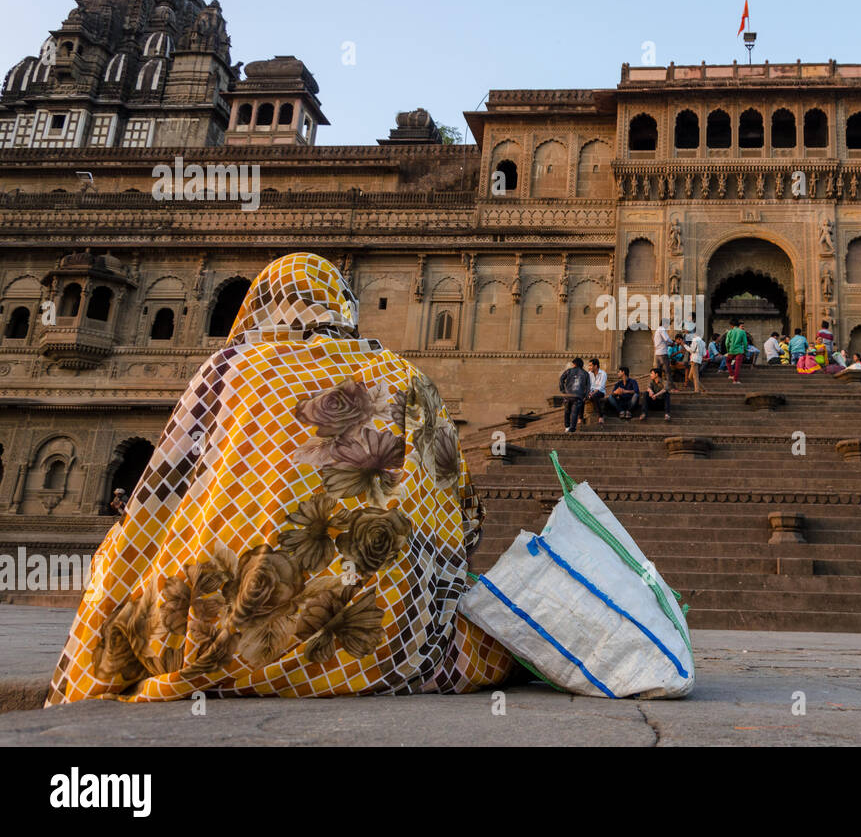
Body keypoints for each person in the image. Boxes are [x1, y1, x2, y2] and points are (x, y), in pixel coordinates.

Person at [47, 253, 517, 705]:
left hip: (216, 638)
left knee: (133, 564)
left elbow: (158, 501)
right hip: (380, 644)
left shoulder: (230, 370)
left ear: (259, 306)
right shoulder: (407, 377)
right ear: (345, 306)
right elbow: (466, 519)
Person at [559, 357, 590, 433]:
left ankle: (567, 427)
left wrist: (563, 390)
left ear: (574, 364)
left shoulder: (569, 371)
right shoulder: (586, 373)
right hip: (578, 396)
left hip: (568, 395)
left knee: (567, 411)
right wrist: (585, 396)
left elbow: (561, 379)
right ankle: (572, 428)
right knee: (574, 413)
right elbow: (588, 386)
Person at [724, 319, 748, 384]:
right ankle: (735, 380)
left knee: (728, 361)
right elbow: (745, 343)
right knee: (737, 366)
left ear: (732, 325)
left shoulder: (730, 332)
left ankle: (731, 374)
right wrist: (745, 351)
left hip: (731, 350)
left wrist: (728, 350)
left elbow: (726, 343)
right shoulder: (742, 332)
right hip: (739, 351)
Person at [584, 357, 607, 426]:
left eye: (590, 365)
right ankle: (580, 417)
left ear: (595, 366)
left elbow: (601, 386)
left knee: (594, 396)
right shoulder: (589, 374)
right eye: (589, 365)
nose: (589, 367)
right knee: (581, 397)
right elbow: (587, 385)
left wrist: (592, 393)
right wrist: (589, 392)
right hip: (591, 392)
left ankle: (601, 416)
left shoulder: (603, 374)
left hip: (600, 392)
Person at [684, 329, 707, 394]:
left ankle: (697, 390)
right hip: (699, 360)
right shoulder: (703, 342)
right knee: (690, 377)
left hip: (694, 360)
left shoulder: (695, 340)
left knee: (695, 376)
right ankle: (703, 389)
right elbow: (704, 354)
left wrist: (685, 345)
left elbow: (692, 350)